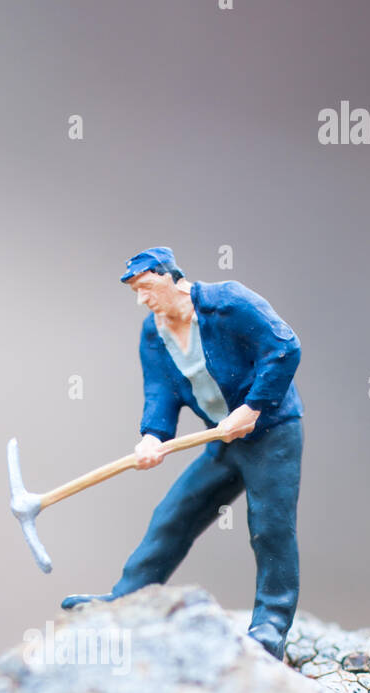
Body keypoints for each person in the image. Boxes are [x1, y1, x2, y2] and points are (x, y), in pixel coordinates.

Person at [62, 247, 303, 661]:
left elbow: (284, 348)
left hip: (270, 432)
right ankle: (126, 601)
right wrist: (153, 436)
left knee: (270, 527)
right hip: (222, 440)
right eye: (136, 292)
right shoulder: (153, 333)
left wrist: (253, 407)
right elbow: (160, 390)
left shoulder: (227, 303)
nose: (143, 299)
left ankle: (271, 626)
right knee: (175, 513)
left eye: (148, 288)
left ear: (173, 278)